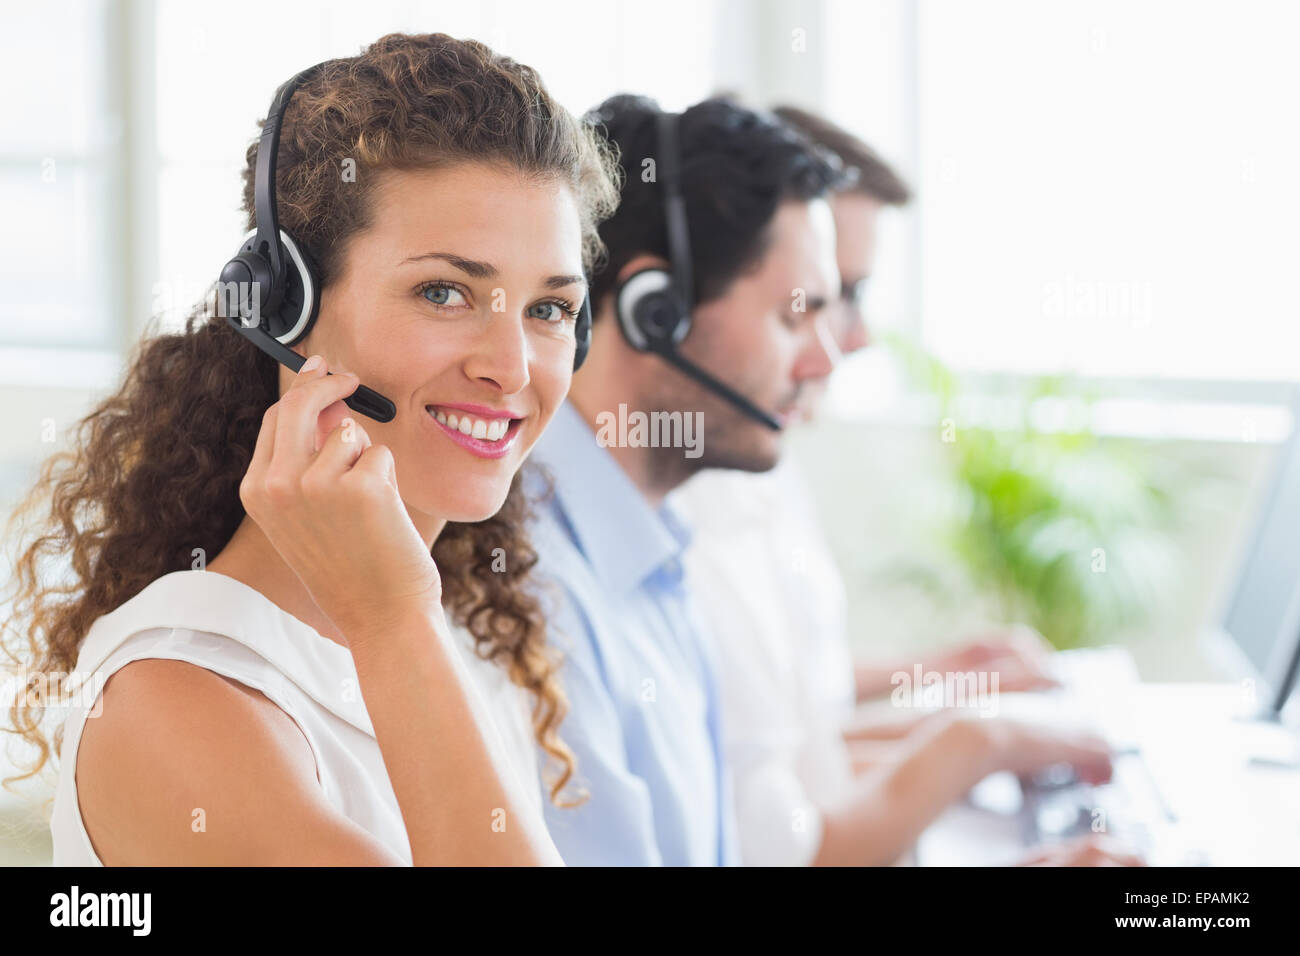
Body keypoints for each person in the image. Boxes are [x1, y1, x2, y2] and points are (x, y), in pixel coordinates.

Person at [0, 33, 618, 866]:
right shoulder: (173, 698)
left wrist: (401, 623)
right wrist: (393, 623)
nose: (510, 368)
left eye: (547, 309)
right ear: (284, 311)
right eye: (444, 292)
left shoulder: (448, 638)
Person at [670, 106, 1136, 866]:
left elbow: (795, 730)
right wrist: (976, 734)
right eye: (820, 300)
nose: (846, 339)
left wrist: (950, 680)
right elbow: (779, 809)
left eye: (844, 298)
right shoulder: (690, 500)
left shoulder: (762, 468)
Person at [524, 94, 843, 865]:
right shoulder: (532, 591)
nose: (824, 360)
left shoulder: (654, 555)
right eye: (793, 317)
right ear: (651, 309)